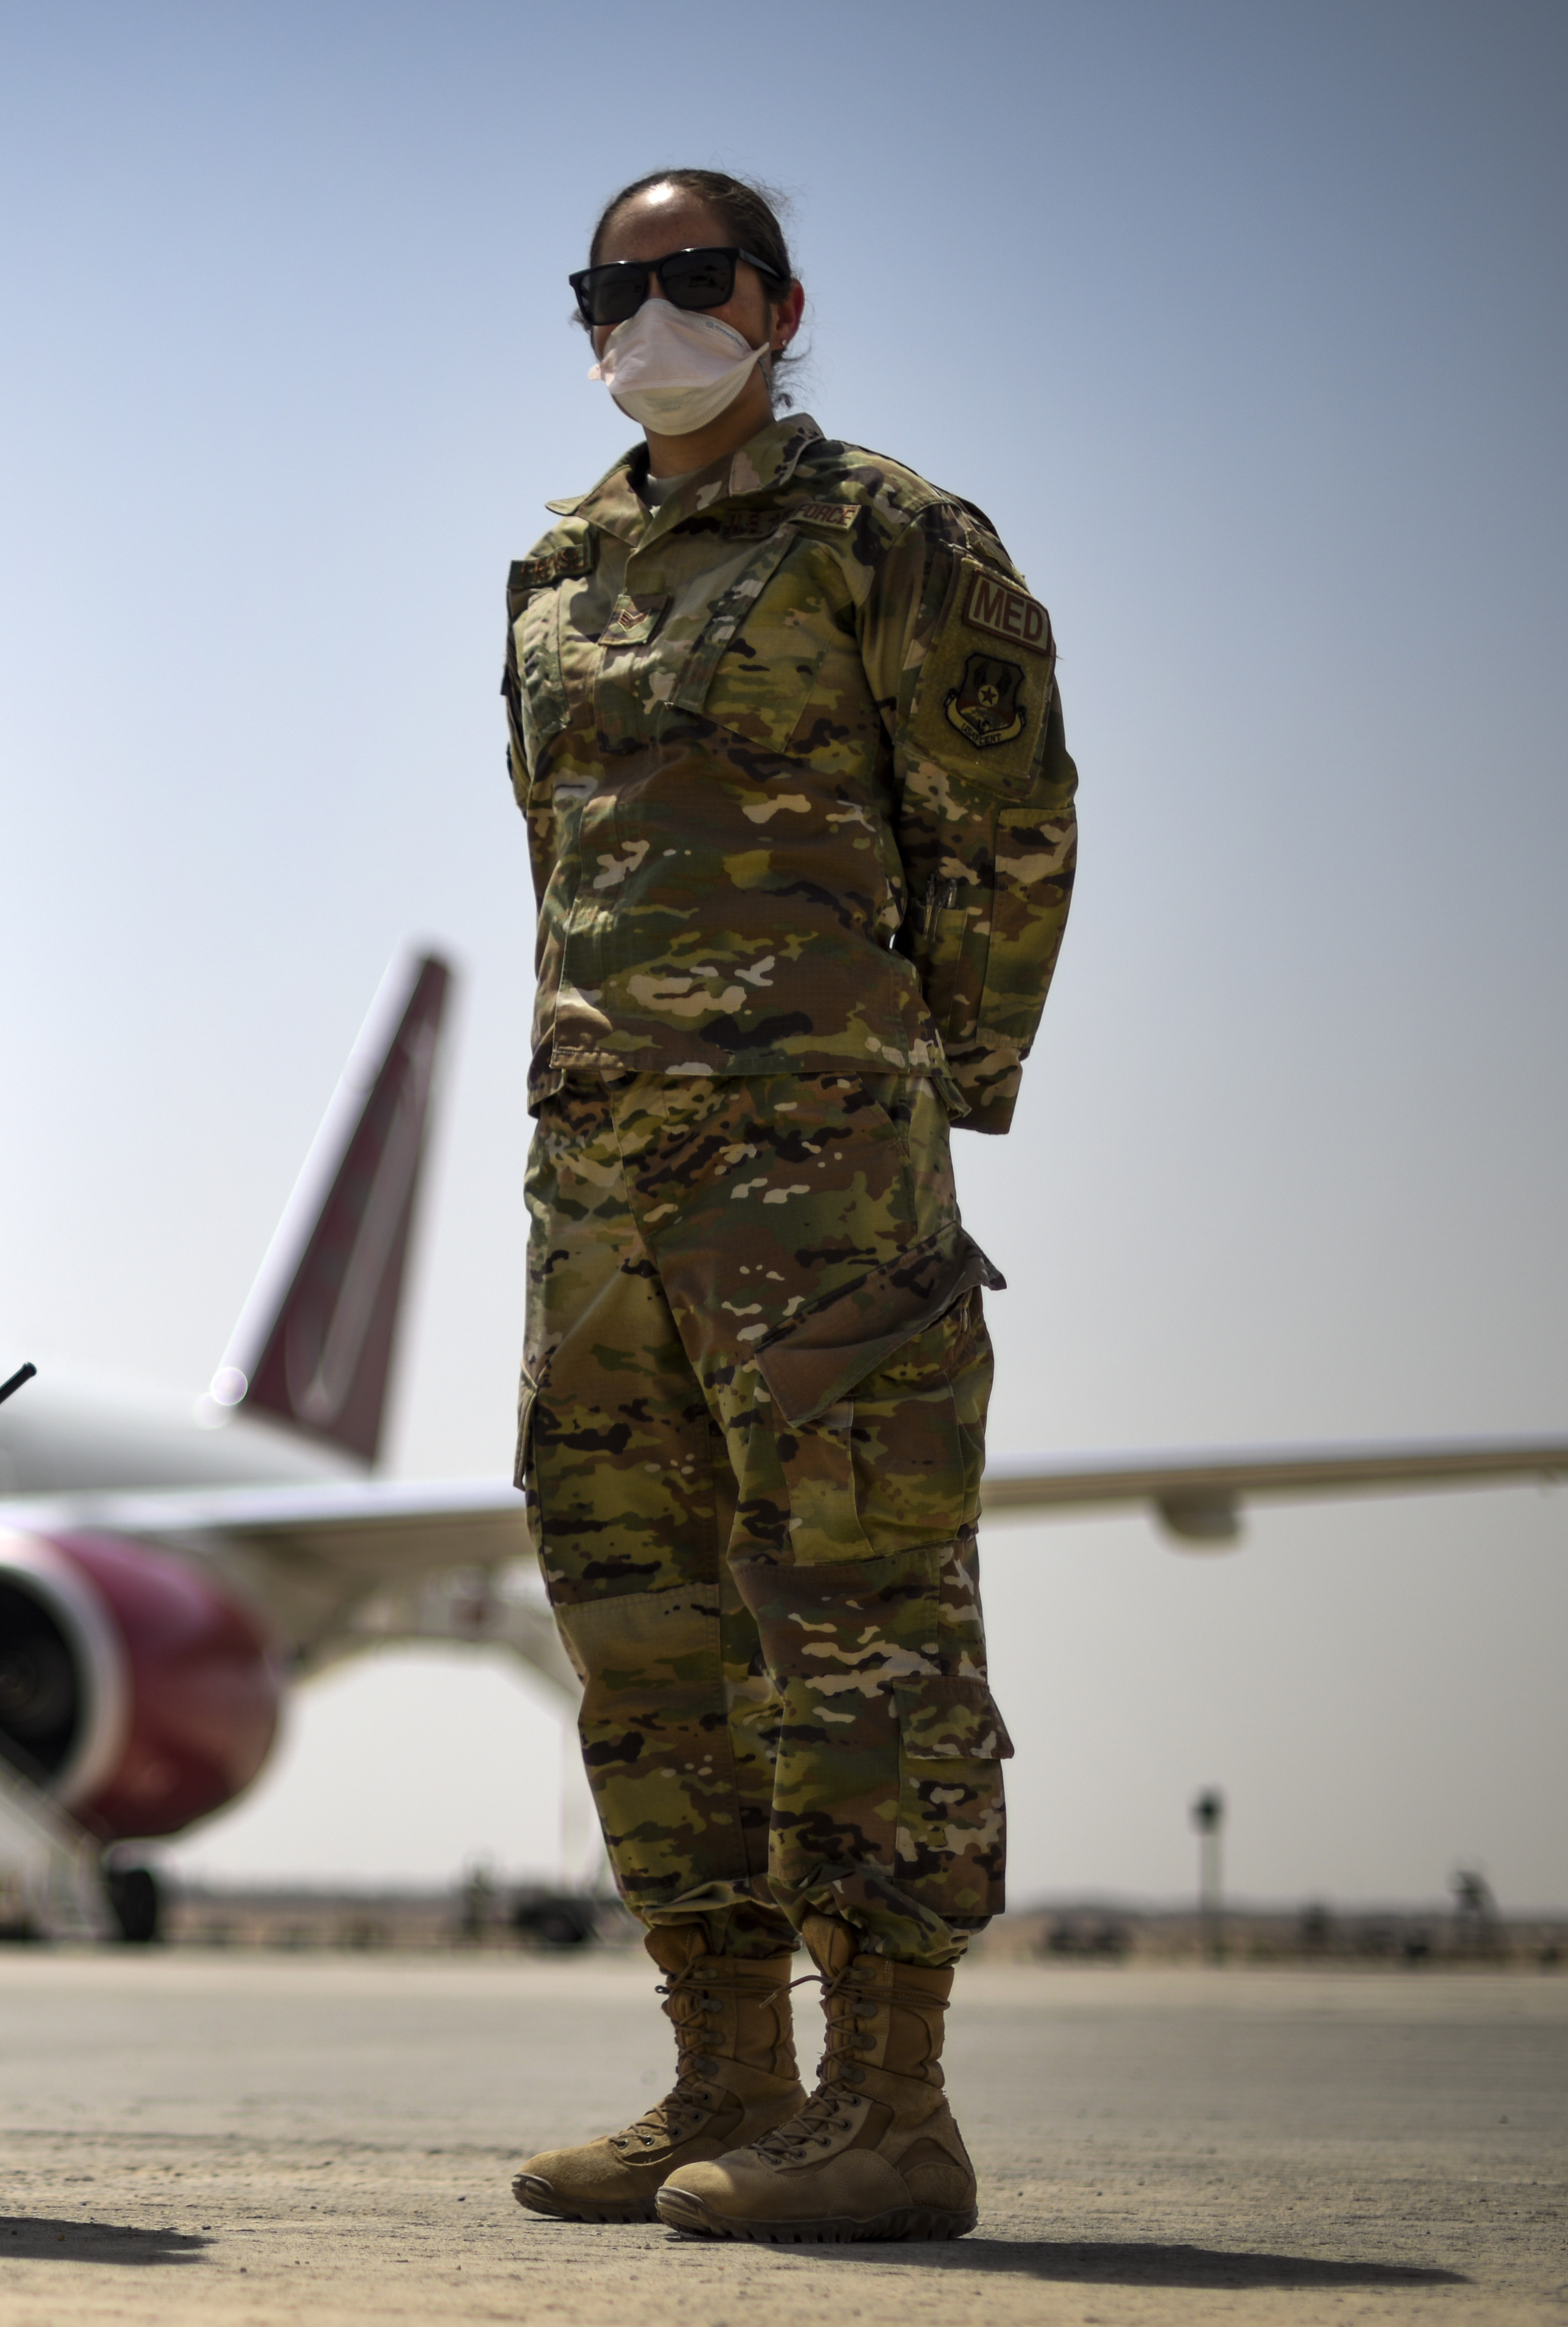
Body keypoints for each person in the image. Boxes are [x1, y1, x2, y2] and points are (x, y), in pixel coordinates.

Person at [499, 168, 1077, 2244]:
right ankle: (721, 2070)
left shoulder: (889, 542)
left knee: (852, 1618)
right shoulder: (552, 572)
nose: (647, 311)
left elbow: (1007, 832)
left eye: (688, 279)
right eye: (610, 286)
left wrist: (913, 1097)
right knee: (640, 1621)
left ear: (775, 302)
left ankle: (889, 2103)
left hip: (816, 1176)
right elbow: (559, 869)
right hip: (597, 1190)